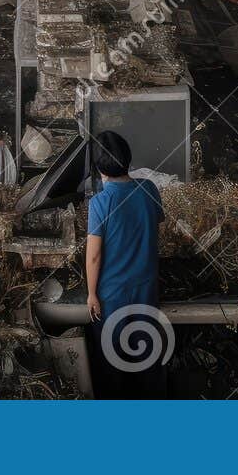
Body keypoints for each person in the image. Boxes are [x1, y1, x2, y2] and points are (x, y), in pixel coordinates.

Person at [86, 130, 165, 398]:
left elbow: (94, 255)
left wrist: (91, 293)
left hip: (112, 294)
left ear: (98, 168)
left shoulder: (100, 202)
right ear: (128, 158)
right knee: (147, 355)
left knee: (112, 363)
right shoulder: (149, 189)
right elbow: (154, 226)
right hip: (146, 288)